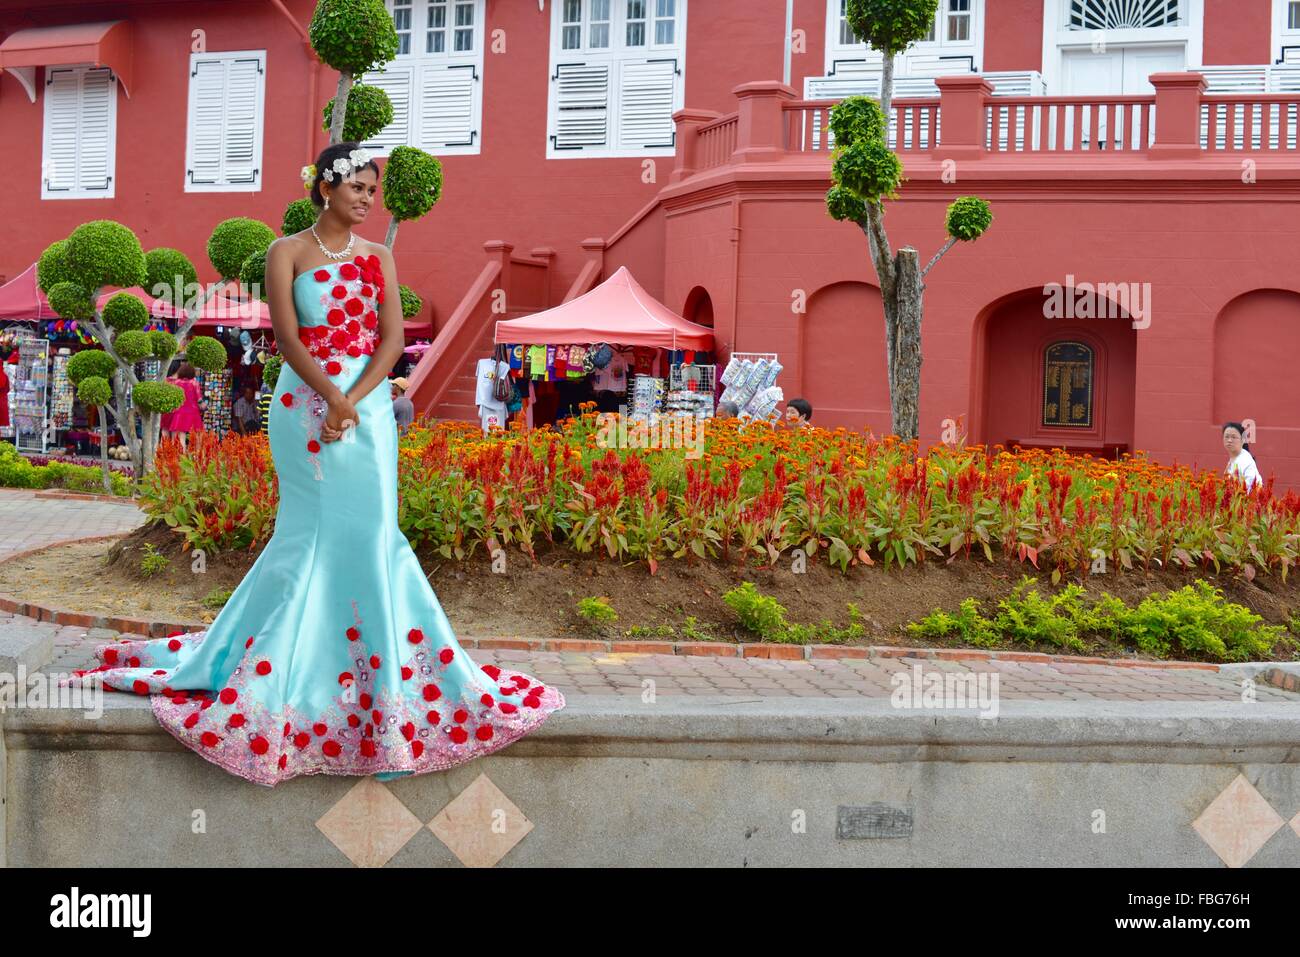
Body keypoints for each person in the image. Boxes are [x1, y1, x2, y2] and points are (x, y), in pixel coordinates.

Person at [69, 141, 564, 787]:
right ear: (325, 187)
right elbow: (286, 336)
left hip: (370, 413)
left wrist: (355, 400)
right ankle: (287, 675)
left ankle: (385, 695)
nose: (366, 198)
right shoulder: (287, 252)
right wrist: (330, 398)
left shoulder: (380, 257)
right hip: (303, 407)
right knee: (308, 534)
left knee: (374, 534)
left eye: (372, 189)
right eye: (357, 186)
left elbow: (392, 340)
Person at [160, 363, 205, 451]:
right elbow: (199, 400)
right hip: (193, 413)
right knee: (197, 439)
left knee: (179, 439)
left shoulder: (176, 383)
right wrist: (203, 407)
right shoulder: (194, 383)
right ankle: (198, 459)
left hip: (179, 413)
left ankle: (178, 459)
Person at [1223, 421, 1261, 491]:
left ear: (1243, 440)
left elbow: (1250, 488)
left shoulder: (1245, 460)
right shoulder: (1233, 459)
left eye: (1234, 437)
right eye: (1226, 436)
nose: (1229, 440)